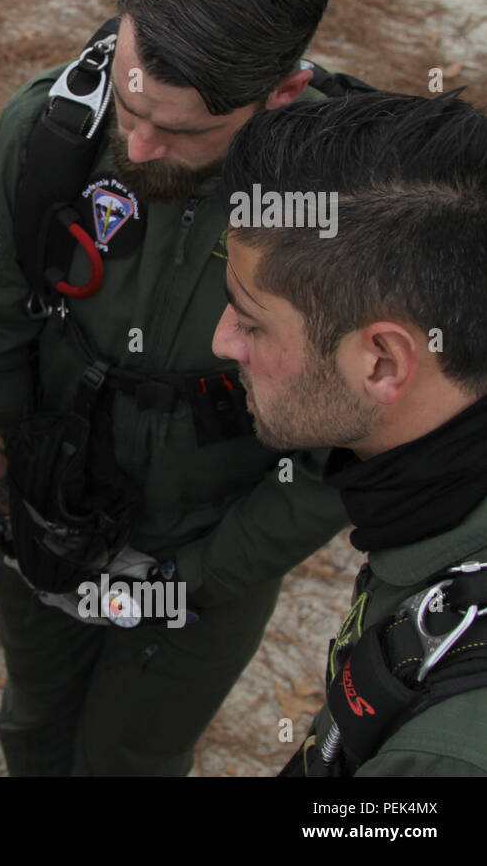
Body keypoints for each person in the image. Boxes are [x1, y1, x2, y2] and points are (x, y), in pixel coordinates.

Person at [0, 0, 349, 776]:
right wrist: (3, 475)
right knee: (35, 724)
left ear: (281, 91)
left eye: (186, 132)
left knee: (133, 756)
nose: (138, 143)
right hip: (48, 513)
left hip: (211, 544)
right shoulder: (50, 134)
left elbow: (340, 463)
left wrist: (198, 574)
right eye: (131, 99)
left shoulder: (344, 214)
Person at [213, 90, 487, 776]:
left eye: (250, 320)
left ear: (383, 362)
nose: (222, 342)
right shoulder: (436, 503)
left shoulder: (446, 751)